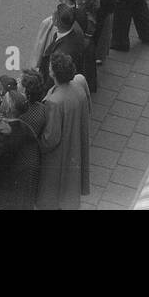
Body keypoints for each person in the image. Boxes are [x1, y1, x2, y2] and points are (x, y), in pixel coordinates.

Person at [36, 53, 91, 209]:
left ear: (54, 73)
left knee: (52, 192)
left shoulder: (54, 102)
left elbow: (51, 138)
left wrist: (37, 145)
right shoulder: (78, 88)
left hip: (58, 156)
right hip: (74, 145)